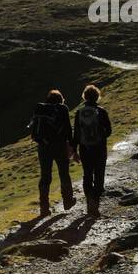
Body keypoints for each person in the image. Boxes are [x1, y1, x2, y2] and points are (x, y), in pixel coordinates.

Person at [28, 89, 75, 217]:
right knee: (64, 173)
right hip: (59, 146)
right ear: (61, 99)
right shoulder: (63, 109)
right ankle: (68, 200)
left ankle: (44, 208)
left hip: (43, 147)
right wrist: (72, 146)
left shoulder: (41, 109)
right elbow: (68, 129)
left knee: (45, 176)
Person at [72, 84, 112, 218]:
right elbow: (109, 131)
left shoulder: (79, 112)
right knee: (99, 174)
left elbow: (76, 133)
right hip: (100, 148)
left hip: (85, 148)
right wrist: (100, 137)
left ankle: (90, 201)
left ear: (84, 96)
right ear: (97, 96)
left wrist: (74, 150)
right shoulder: (101, 111)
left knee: (87, 174)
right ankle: (96, 199)